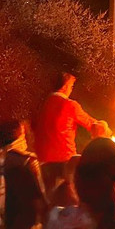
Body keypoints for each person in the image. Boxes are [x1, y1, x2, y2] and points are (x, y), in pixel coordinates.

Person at [35, 71, 100, 200]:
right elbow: (92, 125)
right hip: (65, 158)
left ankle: (50, 219)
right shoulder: (69, 105)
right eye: (71, 86)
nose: (71, 90)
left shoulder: (42, 104)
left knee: (49, 198)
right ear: (64, 86)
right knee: (73, 196)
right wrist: (104, 129)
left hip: (43, 159)